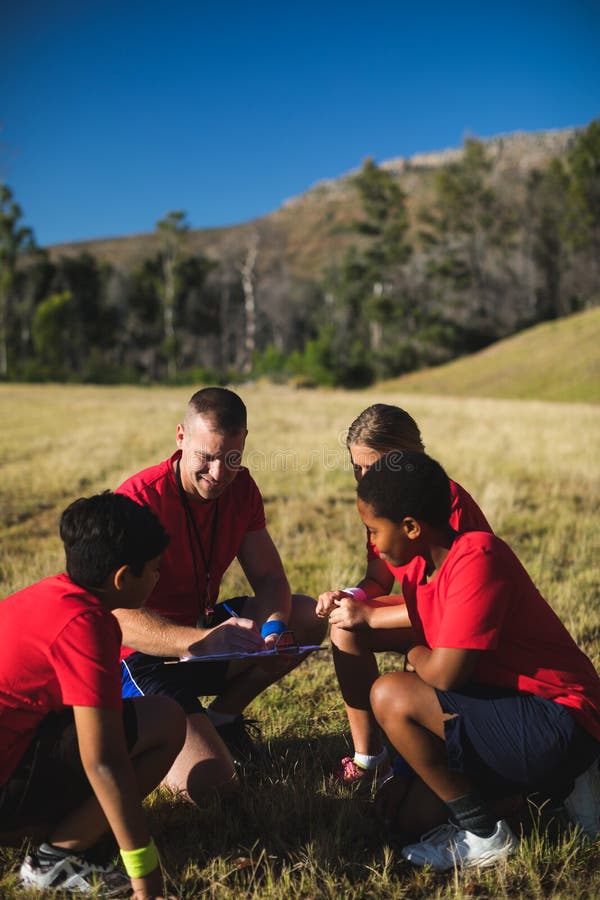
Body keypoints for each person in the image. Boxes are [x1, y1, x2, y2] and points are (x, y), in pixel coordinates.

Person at [358, 451, 600, 870]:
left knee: (390, 694)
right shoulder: (417, 571)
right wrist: (409, 774)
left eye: (374, 531)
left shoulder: (477, 556)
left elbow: (446, 675)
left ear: (411, 527)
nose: (374, 544)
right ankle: (543, 793)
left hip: (560, 717)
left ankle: (487, 834)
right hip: (502, 706)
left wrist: (407, 651)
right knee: (407, 819)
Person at [115, 386, 326, 804]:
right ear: (180, 438)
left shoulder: (242, 488)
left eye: (232, 458)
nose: (218, 472)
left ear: (244, 443)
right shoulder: (138, 501)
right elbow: (118, 616)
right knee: (216, 787)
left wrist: (274, 629)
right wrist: (198, 641)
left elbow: (268, 579)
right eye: (205, 457)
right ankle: (139, 730)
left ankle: (222, 719)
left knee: (306, 615)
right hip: (137, 659)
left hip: (200, 635)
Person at [0, 492, 186, 898]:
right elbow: (104, 762)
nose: (157, 579)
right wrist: (147, 877)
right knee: (166, 721)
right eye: (153, 570)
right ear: (122, 578)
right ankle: (53, 861)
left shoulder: (47, 594)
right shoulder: (86, 625)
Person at [316, 404, 491, 788]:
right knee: (345, 626)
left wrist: (375, 617)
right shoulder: (382, 501)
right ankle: (369, 758)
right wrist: (353, 597)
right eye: (355, 468)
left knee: (370, 630)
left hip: (459, 621)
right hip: (426, 609)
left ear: (406, 459)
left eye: (371, 467)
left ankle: (431, 752)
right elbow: (379, 577)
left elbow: (453, 606)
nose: (362, 477)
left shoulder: (447, 502)